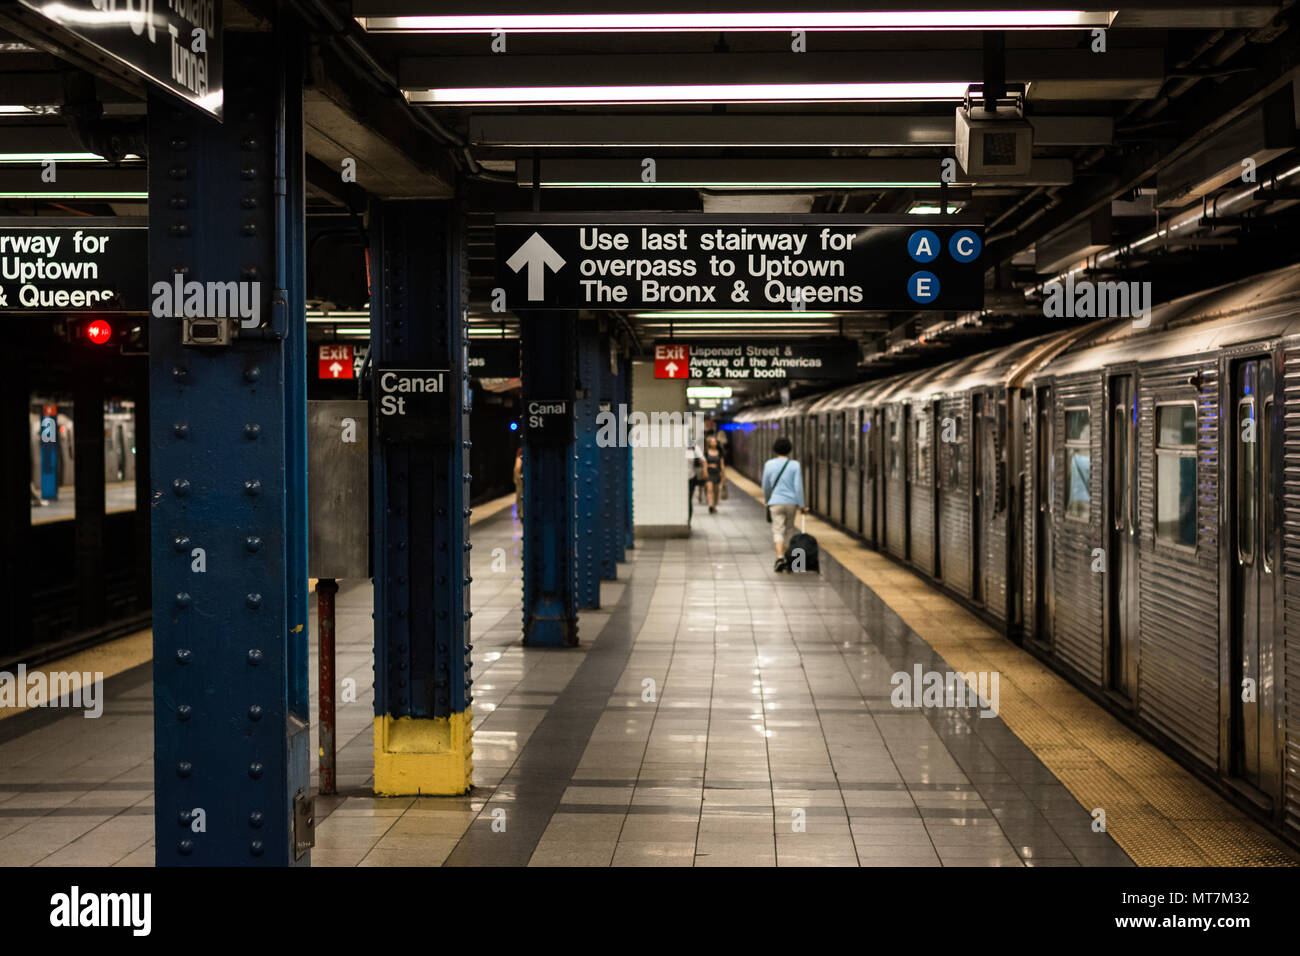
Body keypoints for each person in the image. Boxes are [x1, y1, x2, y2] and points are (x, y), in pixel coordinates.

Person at [762, 437, 808, 572]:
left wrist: (767, 499)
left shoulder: (769, 464)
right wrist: (802, 505)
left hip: (775, 502)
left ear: (774, 449)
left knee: (778, 529)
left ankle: (779, 556)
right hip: (791, 502)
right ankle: (788, 559)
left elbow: (766, 485)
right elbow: (798, 487)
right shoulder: (794, 465)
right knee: (789, 530)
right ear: (789, 449)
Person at [704, 434, 725, 513]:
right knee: (709, 489)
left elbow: (722, 465)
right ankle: (710, 505)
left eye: (715, 441)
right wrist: (705, 471)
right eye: (712, 442)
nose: (714, 443)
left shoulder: (719, 453)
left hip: (717, 473)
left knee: (716, 491)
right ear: (709, 443)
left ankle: (714, 505)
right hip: (709, 473)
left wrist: (723, 476)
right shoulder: (706, 453)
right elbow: (704, 463)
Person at [512, 446, 524, 520]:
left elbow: (516, 468)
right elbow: (517, 467)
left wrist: (515, 478)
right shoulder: (522, 451)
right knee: (521, 495)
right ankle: (521, 513)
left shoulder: (520, 451)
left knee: (519, 495)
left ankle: (519, 512)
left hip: (518, 477)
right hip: (520, 477)